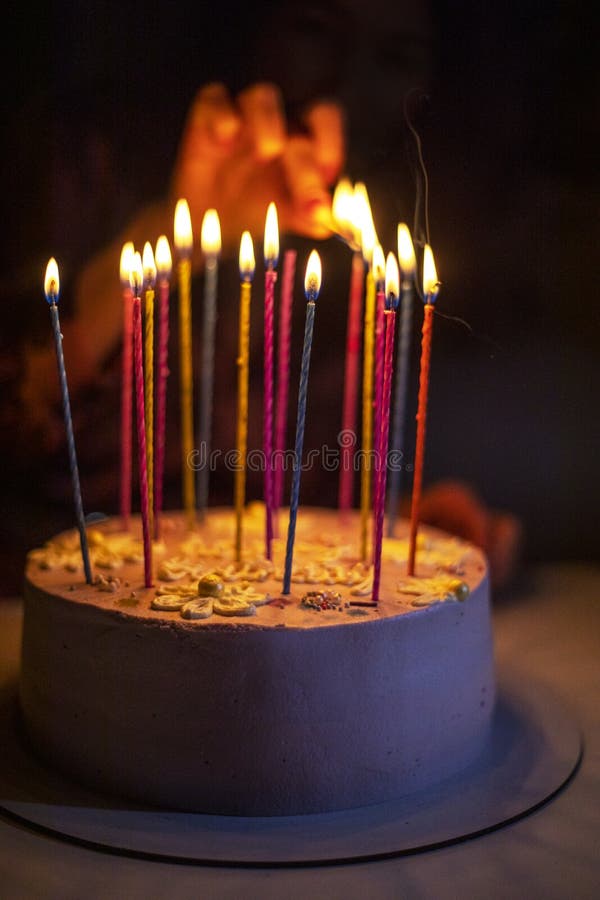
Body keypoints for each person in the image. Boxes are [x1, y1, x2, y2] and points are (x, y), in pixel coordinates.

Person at [2, 2, 528, 594]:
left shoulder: (385, 248)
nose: (346, 82)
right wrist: (176, 228)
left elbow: (284, 518)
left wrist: (407, 525)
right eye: (315, 31)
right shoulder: (83, 159)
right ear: (255, 25)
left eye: (395, 55)